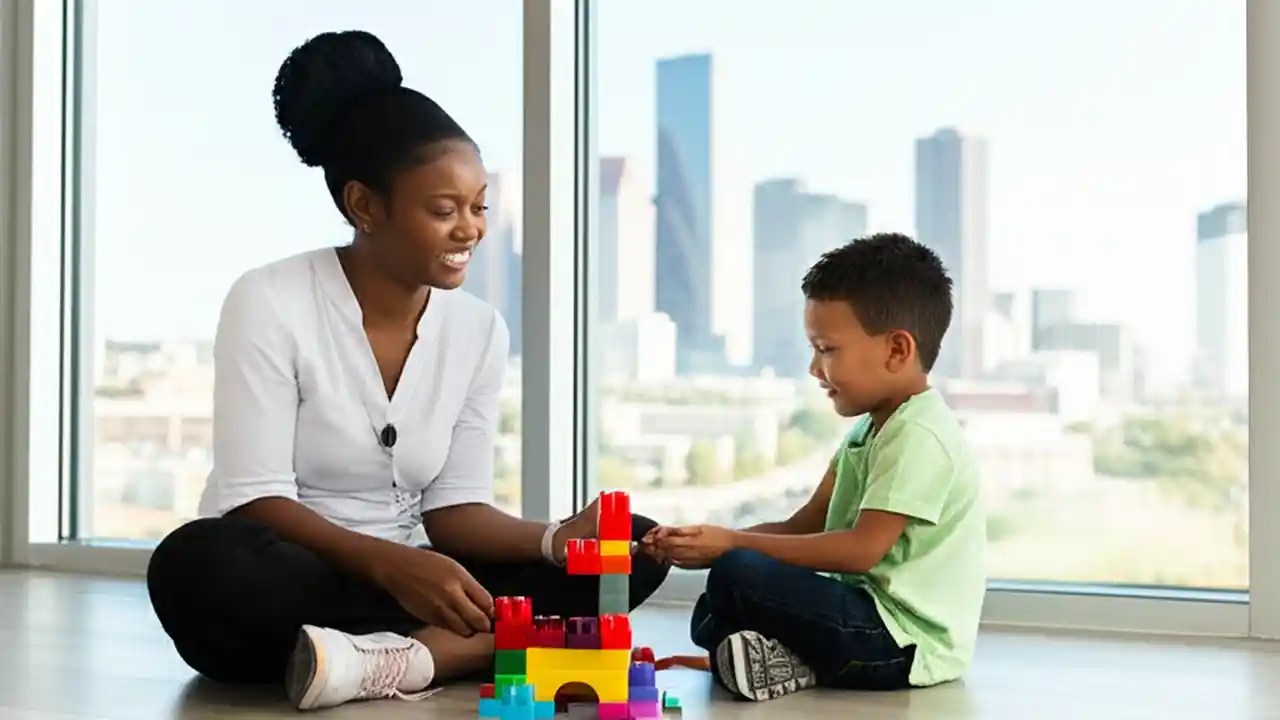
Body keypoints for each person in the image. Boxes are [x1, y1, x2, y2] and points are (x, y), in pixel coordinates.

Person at [145, 30, 668, 712]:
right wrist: (392, 564)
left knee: (636, 547)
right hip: (297, 570)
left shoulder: (479, 330)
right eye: (444, 210)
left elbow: (454, 511)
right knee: (198, 566)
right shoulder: (269, 299)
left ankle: (397, 656)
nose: (471, 230)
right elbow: (255, 497)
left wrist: (553, 539)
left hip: (421, 574)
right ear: (364, 206)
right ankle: (465, 647)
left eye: (479, 206)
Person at [643, 233, 986, 701]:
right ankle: (769, 658)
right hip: (861, 621)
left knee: (738, 574)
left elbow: (859, 551)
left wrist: (733, 547)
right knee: (718, 596)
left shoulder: (920, 436)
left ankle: (783, 659)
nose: (813, 367)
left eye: (827, 349)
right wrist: (709, 539)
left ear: (896, 350)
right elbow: (801, 526)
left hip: (900, 643)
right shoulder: (867, 432)